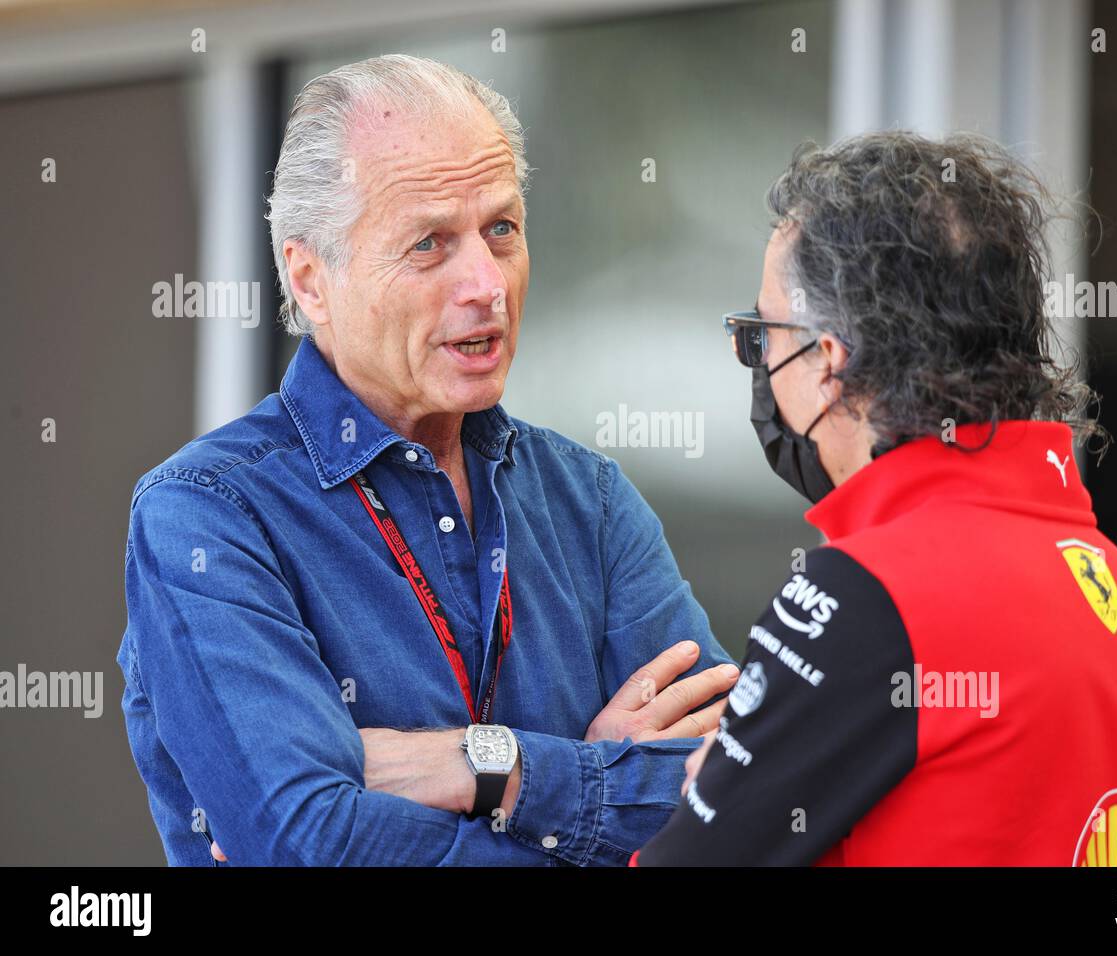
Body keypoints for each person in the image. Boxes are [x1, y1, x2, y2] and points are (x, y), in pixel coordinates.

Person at [117, 54, 737, 867]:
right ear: (310, 280)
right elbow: (305, 846)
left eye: (501, 230)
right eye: (429, 244)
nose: (485, 283)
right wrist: (596, 784)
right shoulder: (207, 514)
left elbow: (734, 807)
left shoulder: (591, 502)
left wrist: (489, 769)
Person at [633, 131, 1117, 866]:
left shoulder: (861, 597)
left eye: (762, 337)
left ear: (829, 362)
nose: (759, 365)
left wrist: (579, 777)